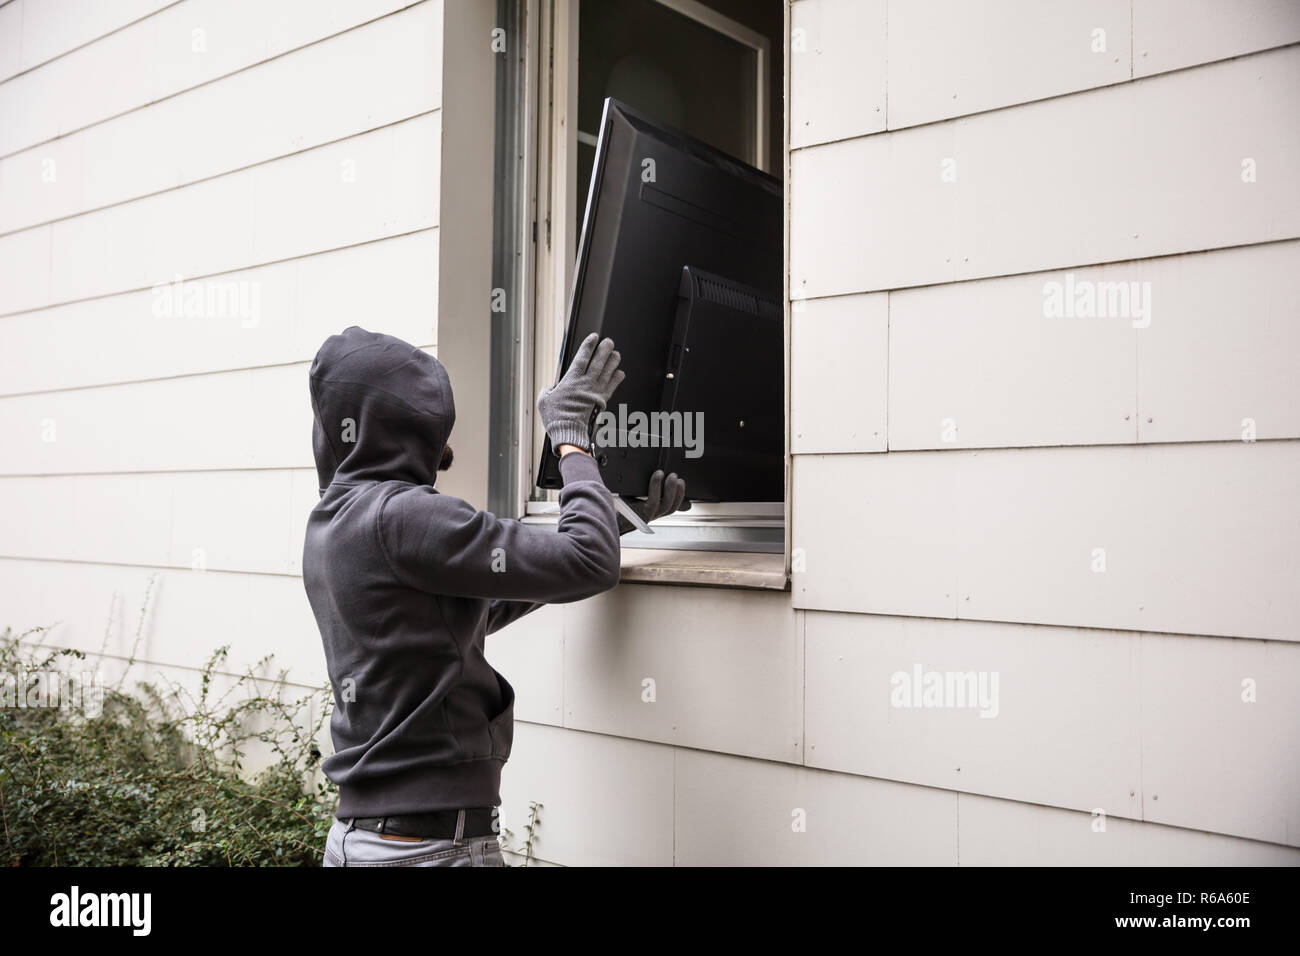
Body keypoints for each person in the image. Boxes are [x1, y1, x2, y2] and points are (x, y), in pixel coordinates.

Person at [304, 326, 687, 866]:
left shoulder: (340, 522)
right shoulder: (403, 516)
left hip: (373, 842)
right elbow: (589, 564)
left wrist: (612, 517)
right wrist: (571, 434)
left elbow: (484, 604)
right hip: (427, 850)